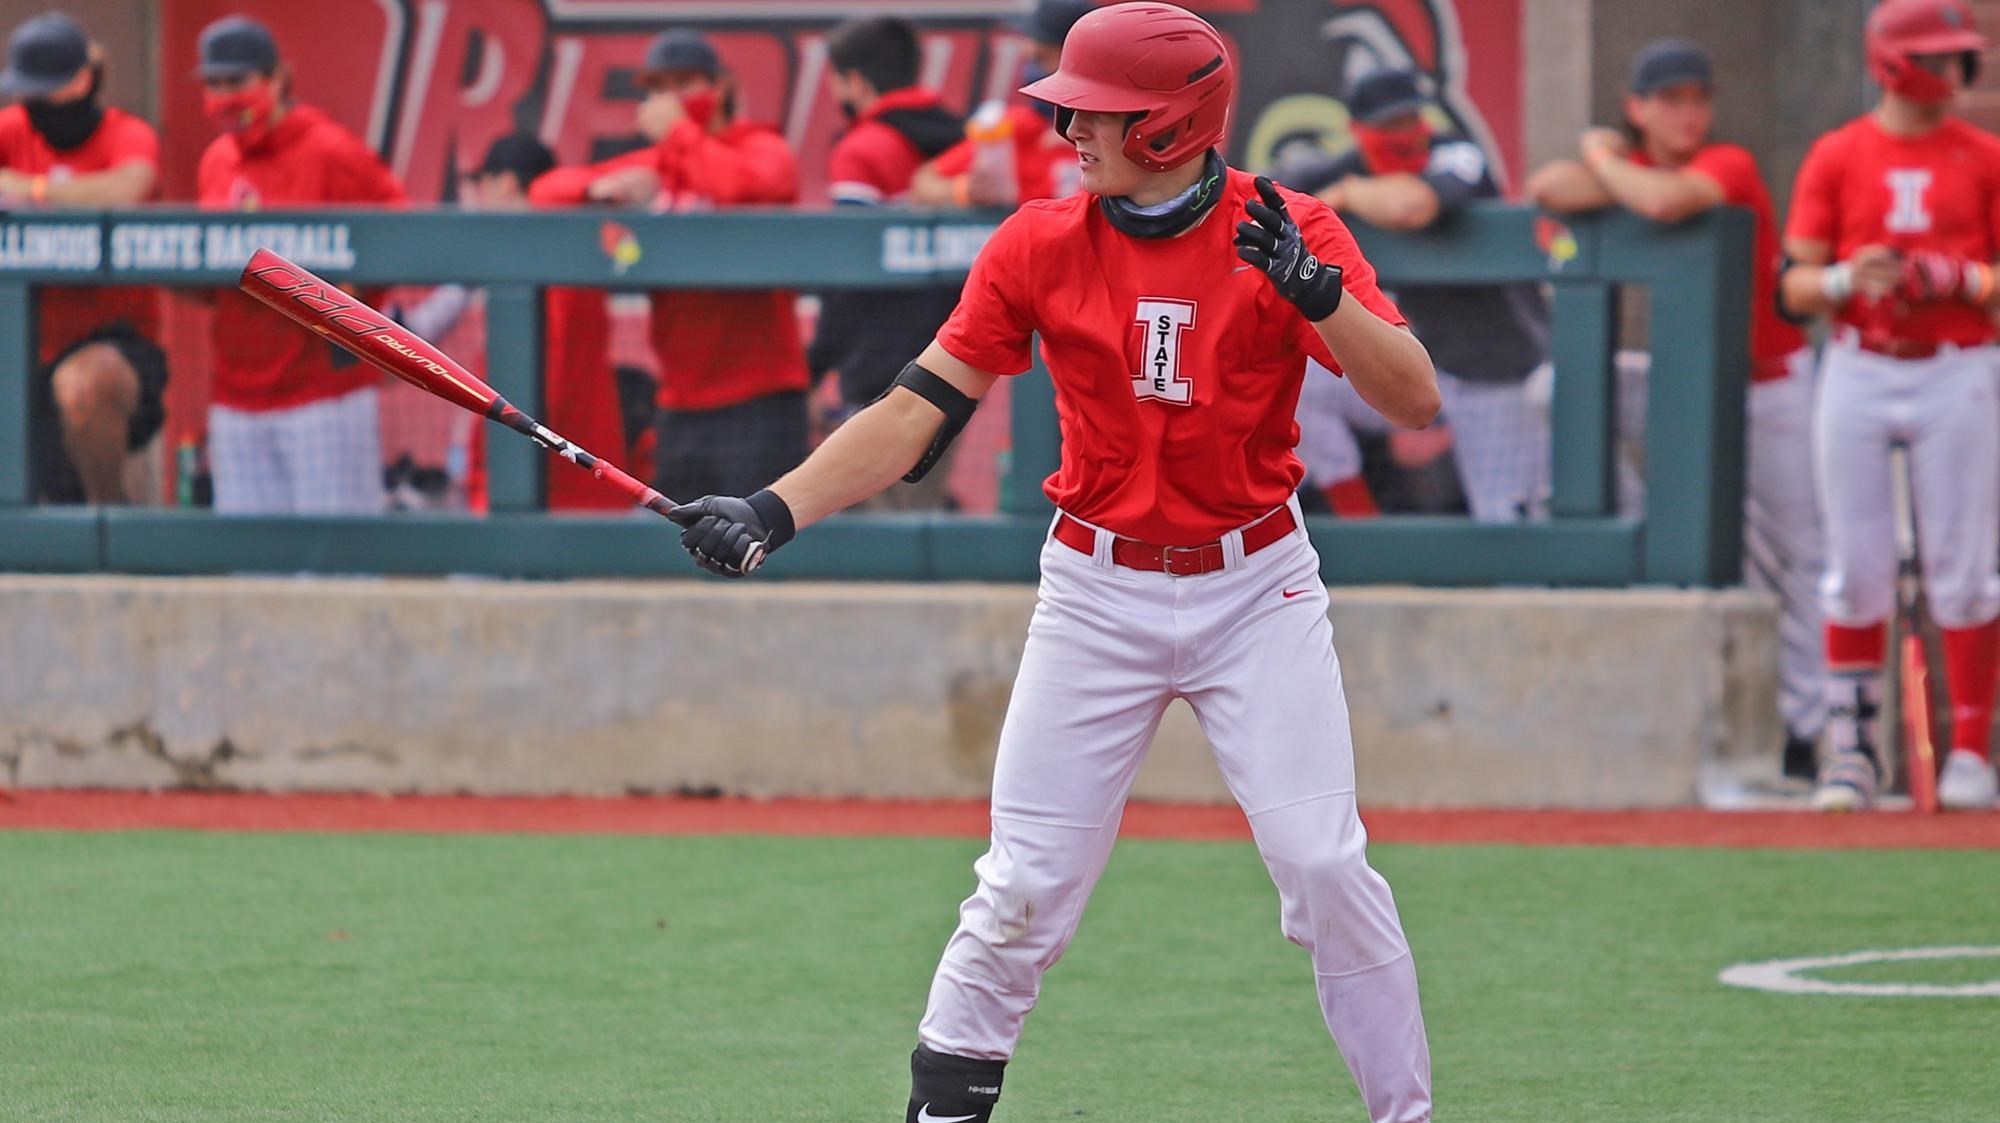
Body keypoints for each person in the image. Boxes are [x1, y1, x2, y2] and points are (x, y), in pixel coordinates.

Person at [666, 5, 1439, 1121]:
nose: (1068, 126)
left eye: (1094, 112)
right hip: (1096, 589)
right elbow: (915, 408)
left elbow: (1410, 395)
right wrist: (773, 509)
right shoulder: (1035, 242)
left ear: (1170, 127)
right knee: (1023, 884)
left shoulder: (1290, 229)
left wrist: (1318, 298)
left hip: (1254, 584)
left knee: (1323, 865)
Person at [1526, 40, 1829, 787]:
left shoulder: (1727, 163)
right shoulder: (1635, 168)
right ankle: (1649, 510)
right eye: (1669, 100)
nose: (1687, 112)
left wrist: (1606, 161)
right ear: (1637, 108)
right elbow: (1548, 185)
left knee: (1801, 559)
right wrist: (1607, 163)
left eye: (1697, 98)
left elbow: (1665, 201)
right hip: (1682, 385)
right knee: (1552, 390)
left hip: (1769, 385)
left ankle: (1814, 734)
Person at [1779, 0, 2000, 812]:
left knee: (1966, 564)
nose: (1952, 71)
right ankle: (1854, 755)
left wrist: (1964, 280)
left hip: (1959, 363)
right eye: (1938, 57)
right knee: (1855, 564)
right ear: (1894, 62)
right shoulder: (1840, 154)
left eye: (1957, 57)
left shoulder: (1984, 155)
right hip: (1862, 360)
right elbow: (1791, 285)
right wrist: (1845, 278)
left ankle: (1972, 752)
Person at [530, 28, 807, 501]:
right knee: (684, 556)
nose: (669, 98)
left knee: (765, 555)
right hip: (681, 400)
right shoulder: (658, 165)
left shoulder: (758, 145)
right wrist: (599, 190)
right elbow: (543, 192)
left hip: (760, 398)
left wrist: (679, 132)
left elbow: (747, 184)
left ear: (719, 88)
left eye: (684, 83)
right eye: (659, 88)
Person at [1278, 67, 1551, 523]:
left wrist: (1347, 193)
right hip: (1422, 365)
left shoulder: (1455, 153)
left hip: (1498, 370)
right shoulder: (1344, 164)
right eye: (1389, 125)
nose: (1404, 135)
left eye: (1410, 121)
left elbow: (1414, 205)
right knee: (1304, 381)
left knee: (1506, 524)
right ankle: (1360, 526)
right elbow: (1266, 198)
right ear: (1359, 131)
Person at [194, 15, 406, 515]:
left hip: (322, 395)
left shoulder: (330, 149)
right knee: (254, 576)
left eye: (237, 81)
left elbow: (401, 228)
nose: (225, 97)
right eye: (214, 83)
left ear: (278, 79)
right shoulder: (216, 161)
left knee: (336, 569)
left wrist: (361, 292)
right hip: (237, 393)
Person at [0, 11, 167, 505]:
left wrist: (29, 189)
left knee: (84, 384)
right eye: (26, 90)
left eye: (46, 89)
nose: (35, 103)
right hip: (24, 343)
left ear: (82, 80)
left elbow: (129, 186)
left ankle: (108, 523)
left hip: (118, 342)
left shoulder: (126, 133)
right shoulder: (13, 128)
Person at [808, 16, 966, 509]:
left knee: (879, 543)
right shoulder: (966, 144)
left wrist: (818, 367)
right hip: (956, 361)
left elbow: (847, 273)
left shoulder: (862, 148)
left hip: (877, 371)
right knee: (923, 523)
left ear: (855, 81)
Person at [909, 0, 1095, 208]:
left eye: (1043, 57)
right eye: (1032, 58)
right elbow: (923, 183)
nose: (1033, 71)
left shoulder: (1107, 133)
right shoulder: (1013, 126)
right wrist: (964, 189)